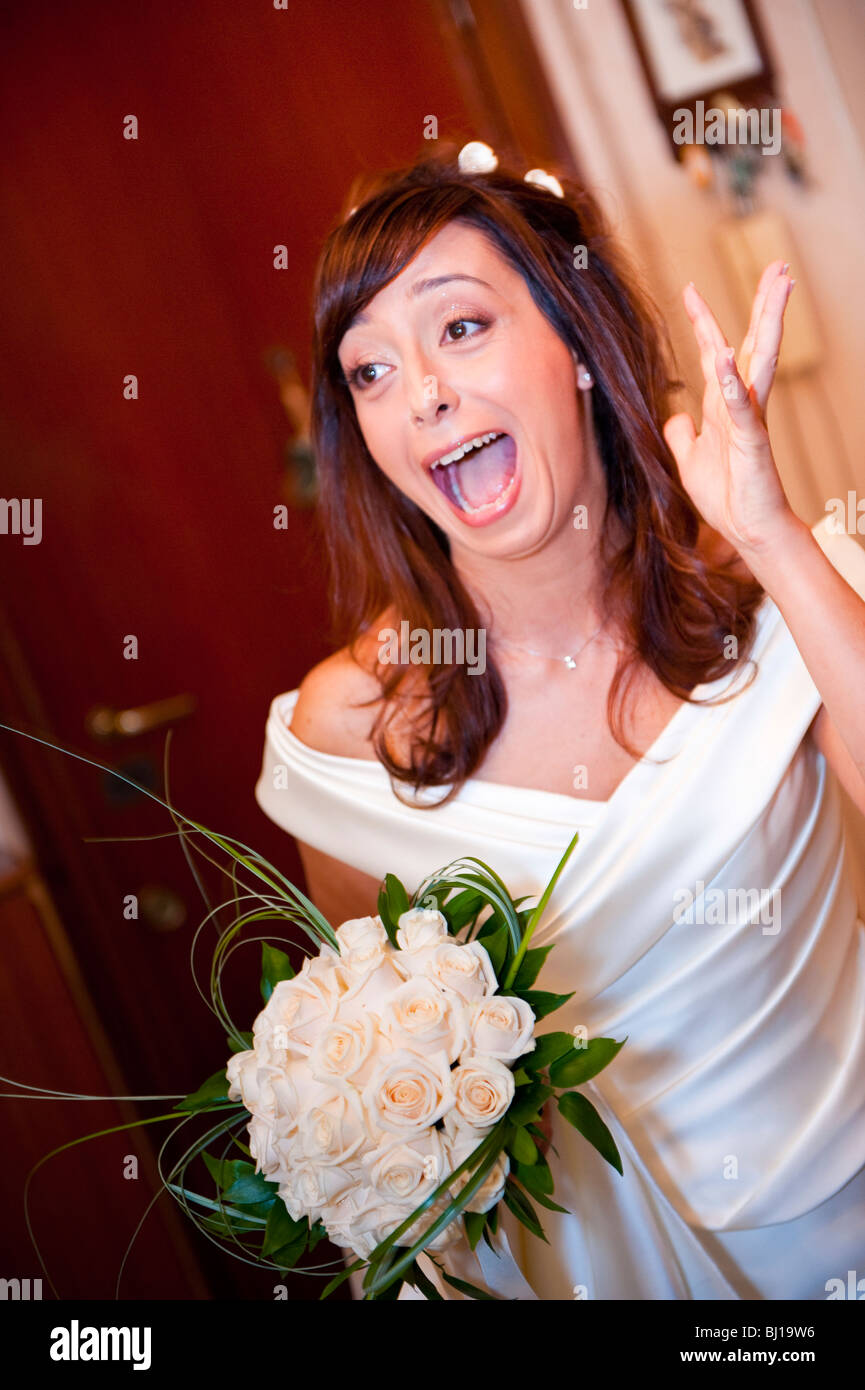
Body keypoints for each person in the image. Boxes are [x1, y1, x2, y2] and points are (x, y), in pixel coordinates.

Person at [254, 145, 865, 1299]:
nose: (421, 391)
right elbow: (390, 1070)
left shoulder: (773, 593)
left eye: (460, 328)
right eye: (369, 372)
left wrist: (778, 538)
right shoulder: (351, 733)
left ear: (577, 345)